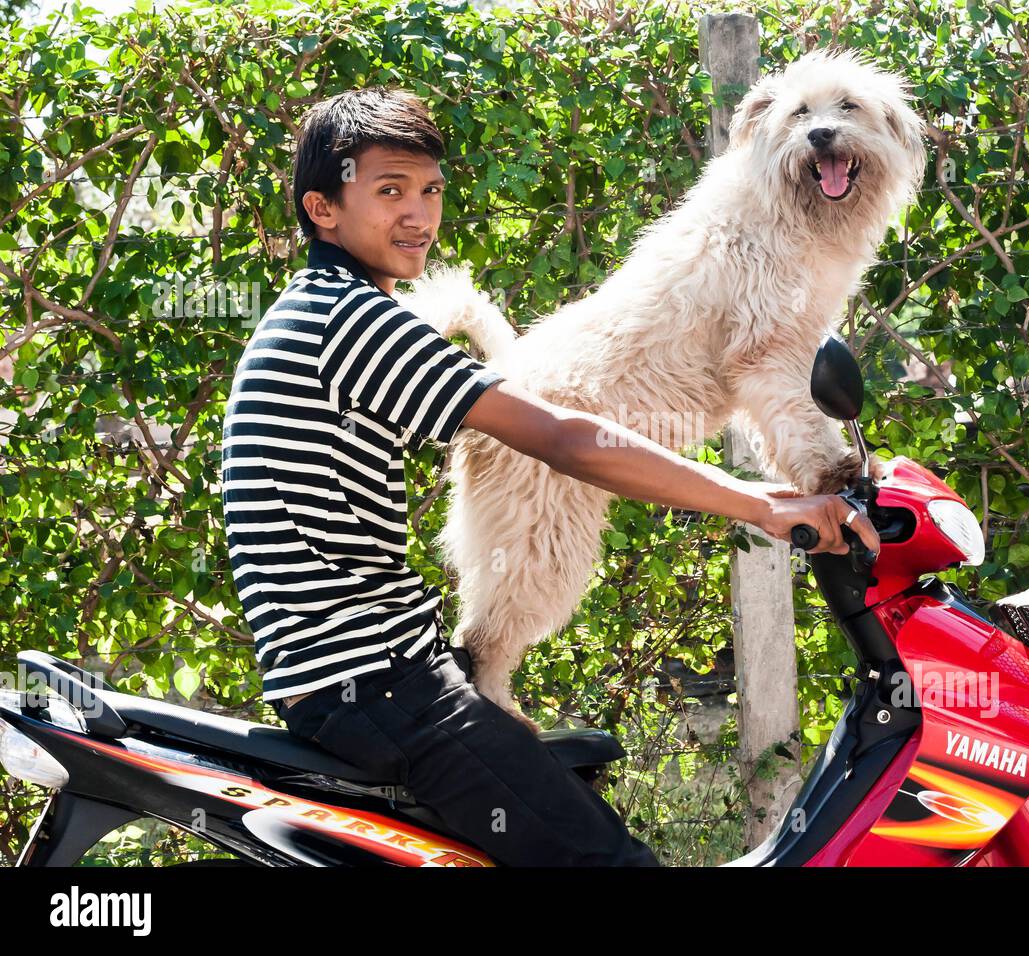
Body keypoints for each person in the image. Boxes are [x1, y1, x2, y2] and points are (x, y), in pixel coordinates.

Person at [219, 86, 879, 867]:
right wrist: (758, 503)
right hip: (378, 684)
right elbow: (565, 438)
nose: (417, 216)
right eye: (388, 192)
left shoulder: (323, 309)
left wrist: (768, 494)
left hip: (374, 676)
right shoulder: (351, 319)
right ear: (322, 209)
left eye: (429, 192)